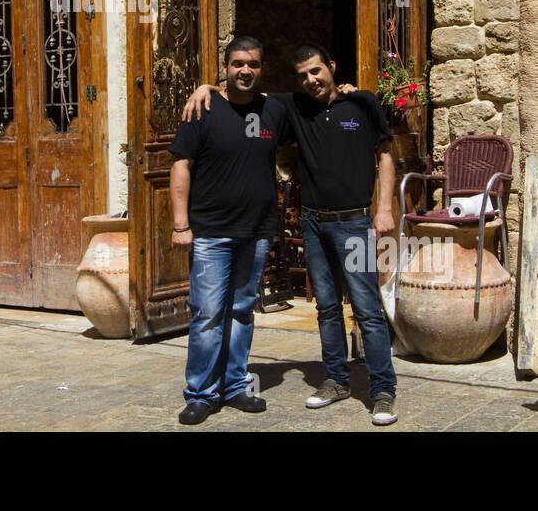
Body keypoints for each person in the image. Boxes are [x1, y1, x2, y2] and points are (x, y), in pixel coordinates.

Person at [183, 43, 399, 426]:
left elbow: (384, 155)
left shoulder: (363, 103)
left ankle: (383, 390)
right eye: (303, 76)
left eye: (316, 71)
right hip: (314, 223)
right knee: (327, 308)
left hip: (356, 223)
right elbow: (247, 91)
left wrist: (384, 210)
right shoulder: (294, 108)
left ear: (331, 67)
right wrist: (209, 88)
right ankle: (335, 380)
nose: (311, 80)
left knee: (367, 308)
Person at [169, 35, 288, 426]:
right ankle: (201, 393)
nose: (245, 70)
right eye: (238, 63)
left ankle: (236, 385)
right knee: (206, 314)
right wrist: (180, 224)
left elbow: (318, 101)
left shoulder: (273, 109)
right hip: (211, 233)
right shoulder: (202, 109)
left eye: (252, 64)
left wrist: (348, 92)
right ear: (225, 67)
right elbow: (181, 165)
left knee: (241, 311)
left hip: (256, 231)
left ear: (261, 68)